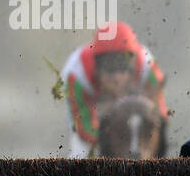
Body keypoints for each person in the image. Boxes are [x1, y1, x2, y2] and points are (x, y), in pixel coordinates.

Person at [60, 20, 167, 158]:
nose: (117, 78)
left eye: (122, 66)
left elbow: (161, 117)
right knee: (82, 152)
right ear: (97, 67)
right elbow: (84, 129)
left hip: (132, 101)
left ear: (133, 64)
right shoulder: (76, 74)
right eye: (110, 67)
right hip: (92, 105)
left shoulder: (148, 68)